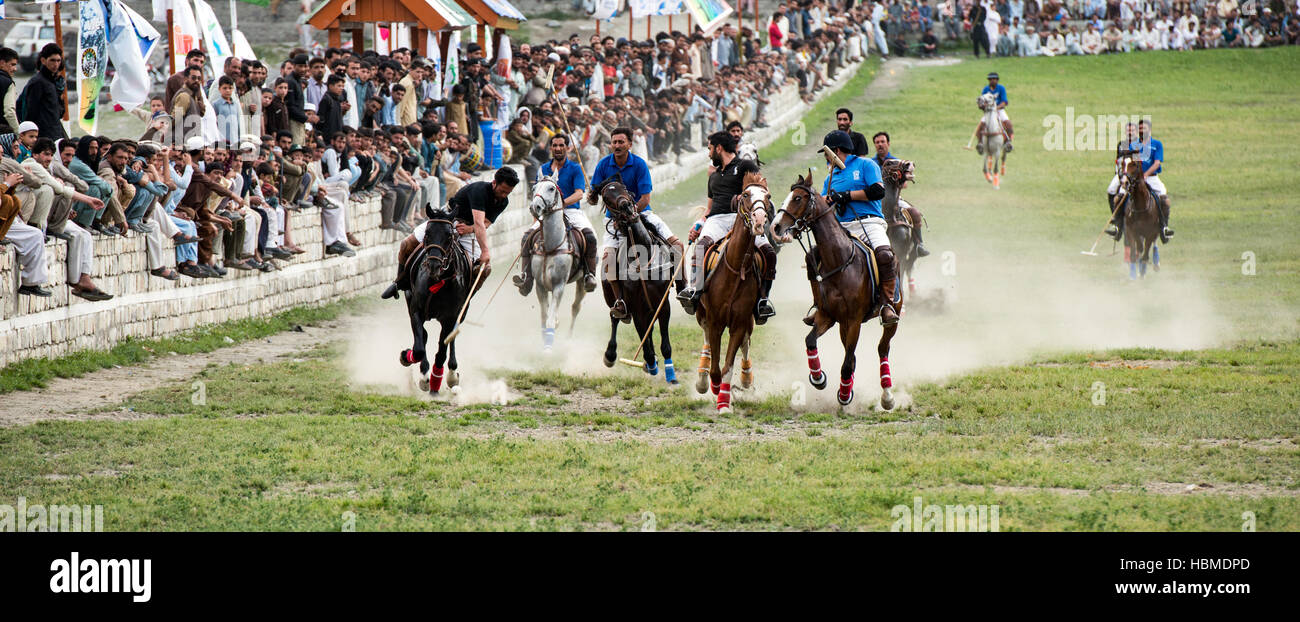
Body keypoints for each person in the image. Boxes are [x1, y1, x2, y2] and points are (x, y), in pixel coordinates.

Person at [679, 131, 777, 323]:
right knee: (700, 247)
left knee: (769, 253)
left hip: (742, 219)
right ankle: (695, 291)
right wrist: (698, 224)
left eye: (709, 149)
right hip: (716, 220)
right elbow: (708, 209)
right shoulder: (714, 176)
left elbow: (763, 191)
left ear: (719, 148)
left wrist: (743, 199)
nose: (709, 154)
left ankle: (763, 301)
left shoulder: (745, 165)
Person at [381, 167, 519, 300]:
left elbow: (487, 222)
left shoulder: (503, 201)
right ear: (494, 183)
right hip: (446, 220)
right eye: (502, 191)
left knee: (484, 269)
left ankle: (465, 299)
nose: (504, 195)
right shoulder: (479, 190)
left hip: (469, 229)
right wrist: (485, 251)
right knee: (407, 244)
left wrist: (469, 229)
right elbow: (479, 223)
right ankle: (398, 282)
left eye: (508, 192)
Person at [588, 127, 681, 320]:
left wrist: (631, 215)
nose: (617, 145)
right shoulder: (604, 165)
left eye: (621, 142)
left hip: (642, 213)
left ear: (630, 144)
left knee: (677, 245)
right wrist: (591, 197)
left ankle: (683, 287)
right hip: (613, 221)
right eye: (614, 142)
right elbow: (594, 197)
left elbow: (645, 198)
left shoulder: (639, 164)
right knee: (608, 260)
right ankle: (620, 301)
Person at [816, 130, 898, 325]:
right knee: (814, 256)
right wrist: (827, 201)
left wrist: (846, 195)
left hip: (869, 222)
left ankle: (887, 305)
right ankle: (820, 304)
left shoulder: (865, 164)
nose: (826, 158)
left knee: (885, 255)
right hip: (842, 227)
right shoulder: (830, 177)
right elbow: (823, 204)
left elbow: (878, 190)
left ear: (835, 151)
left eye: (826, 153)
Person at [513, 134, 598, 296]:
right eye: (555, 145)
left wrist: (560, 204)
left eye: (561, 145)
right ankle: (526, 277)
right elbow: (538, 194)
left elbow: (579, 193)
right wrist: (537, 218)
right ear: (550, 148)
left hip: (571, 211)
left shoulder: (575, 168)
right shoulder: (543, 169)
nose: (558, 148)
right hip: (546, 213)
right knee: (526, 237)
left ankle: (589, 274)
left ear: (567, 147)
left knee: (590, 237)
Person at [1106, 119, 1173, 243]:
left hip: (1152, 177)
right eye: (1141, 129)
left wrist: (1146, 175)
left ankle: (1164, 227)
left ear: (1149, 130)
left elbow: (1157, 163)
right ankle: (1118, 227)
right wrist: (1133, 176)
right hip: (1136, 178)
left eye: (1144, 128)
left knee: (1165, 199)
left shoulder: (1156, 144)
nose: (1142, 131)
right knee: (1118, 198)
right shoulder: (1134, 145)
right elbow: (1134, 163)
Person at [871, 131, 930, 257]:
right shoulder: (870, 163)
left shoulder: (896, 162)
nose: (880, 145)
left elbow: (905, 183)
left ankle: (919, 244)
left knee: (914, 212)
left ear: (888, 144)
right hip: (875, 198)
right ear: (874, 145)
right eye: (877, 142)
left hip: (894, 197)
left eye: (883, 142)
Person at [18, 44, 67, 140]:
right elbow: (30, 111)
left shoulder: (55, 82)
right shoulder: (38, 82)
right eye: (52, 60)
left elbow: (58, 112)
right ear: (43, 60)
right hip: (44, 135)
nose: (56, 64)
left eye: (58, 60)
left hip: (55, 131)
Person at [981, 72, 1013, 151]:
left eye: (994, 79)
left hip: (999, 110)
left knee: (1008, 123)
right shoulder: (986, 89)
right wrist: (984, 107)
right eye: (990, 79)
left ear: (997, 80)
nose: (992, 81)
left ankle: (1008, 141)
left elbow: (1004, 101)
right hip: (989, 111)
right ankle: (980, 143)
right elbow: (982, 101)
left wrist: (997, 108)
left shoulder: (1001, 88)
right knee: (981, 123)